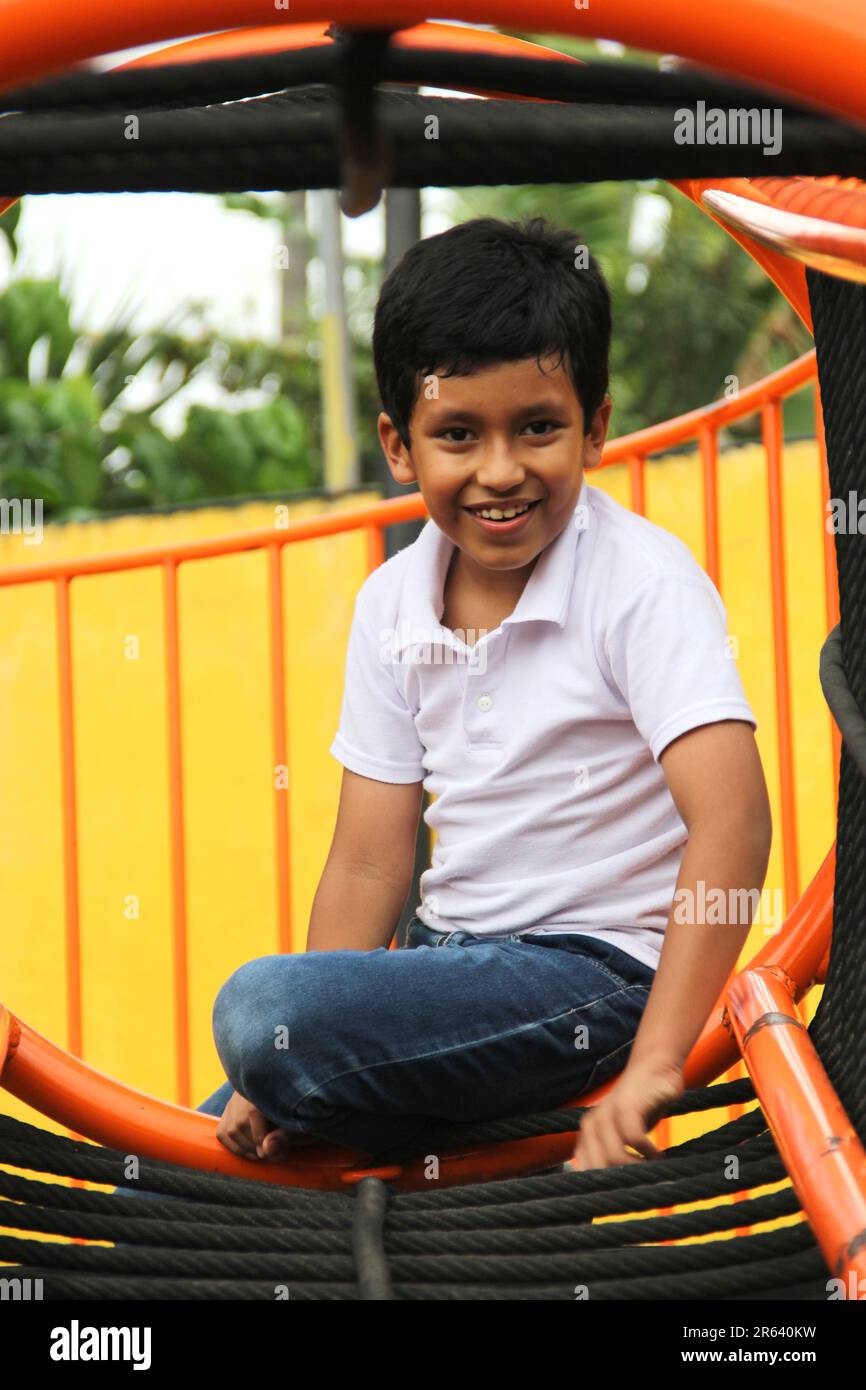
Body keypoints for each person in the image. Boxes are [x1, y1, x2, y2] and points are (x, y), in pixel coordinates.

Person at [125, 214, 772, 1196]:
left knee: (258, 1008)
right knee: (172, 1170)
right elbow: (369, 856)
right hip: (453, 975)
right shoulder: (391, 604)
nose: (500, 469)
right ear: (399, 444)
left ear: (593, 427)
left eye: (538, 428)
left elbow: (731, 819)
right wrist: (285, 1067)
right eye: (457, 434)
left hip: (595, 976)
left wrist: (655, 1061)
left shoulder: (638, 580)